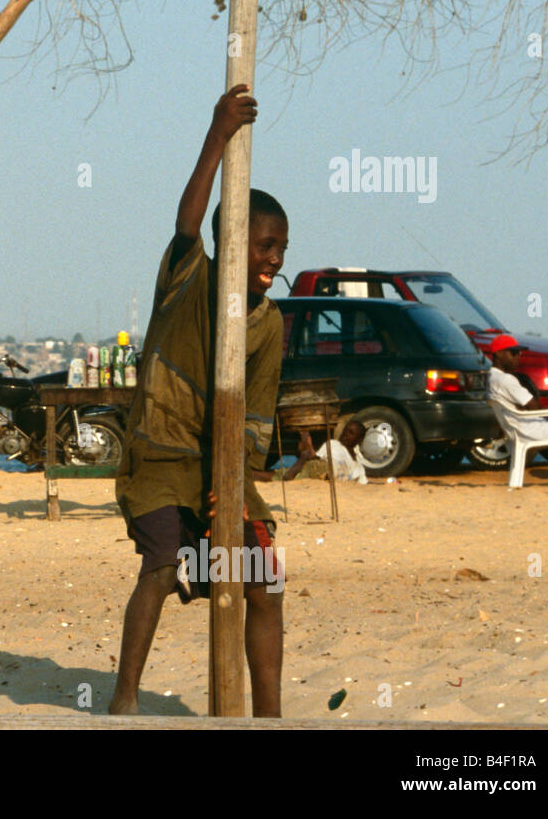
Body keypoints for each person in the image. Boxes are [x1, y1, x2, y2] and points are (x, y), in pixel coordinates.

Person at [109, 84, 287, 717]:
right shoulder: (190, 278)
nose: (273, 260)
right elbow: (189, 219)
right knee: (162, 566)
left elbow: (259, 416)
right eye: (263, 246)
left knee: (264, 583)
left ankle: (267, 716)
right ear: (235, 241)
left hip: (223, 467)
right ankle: (124, 701)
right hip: (161, 459)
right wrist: (218, 131)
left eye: (281, 250)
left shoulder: (269, 324)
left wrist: (234, 487)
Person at [487, 334, 548, 443]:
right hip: (531, 430)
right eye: (513, 353)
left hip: (515, 430)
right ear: (499, 354)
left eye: (519, 353)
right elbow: (533, 406)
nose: (518, 357)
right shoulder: (506, 379)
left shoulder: (490, 377)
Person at [284, 422, 368, 484]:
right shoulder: (333, 443)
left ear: (359, 439)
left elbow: (362, 481)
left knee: (283, 474)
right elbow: (317, 457)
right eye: (345, 430)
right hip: (324, 467)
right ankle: (304, 456)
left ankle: (303, 458)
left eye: (351, 433)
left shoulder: (358, 464)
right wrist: (311, 452)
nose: (345, 434)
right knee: (315, 467)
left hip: (332, 474)